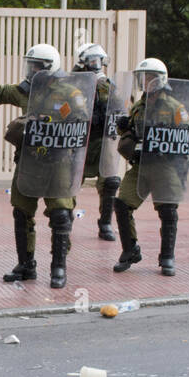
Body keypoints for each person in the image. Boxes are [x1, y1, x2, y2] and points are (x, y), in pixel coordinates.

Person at [0, 43, 87, 288]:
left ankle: (58, 267)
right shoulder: (28, 91)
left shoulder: (71, 94)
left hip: (58, 162)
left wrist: (52, 124)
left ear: (49, 68)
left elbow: (81, 124)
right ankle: (26, 265)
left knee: (60, 213)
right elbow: (3, 92)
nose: (31, 71)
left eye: (36, 66)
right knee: (21, 211)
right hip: (29, 160)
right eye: (30, 65)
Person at [113, 58, 189, 276]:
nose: (145, 82)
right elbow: (132, 132)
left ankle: (167, 257)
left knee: (168, 211)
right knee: (121, 204)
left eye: (149, 78)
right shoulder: (139, 106)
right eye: (143, 78)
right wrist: (125, 127)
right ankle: (130, 250)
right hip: (141, 165)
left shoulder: (175, 107)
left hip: (165, 165)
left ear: (160, 80)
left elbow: (186, 136)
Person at [74, 42, 121, 241]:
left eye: (98, 60)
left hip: (102, 141)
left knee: (109, 182)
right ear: (83, 63)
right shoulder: (75, 83)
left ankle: (105, 223)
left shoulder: (107, 84)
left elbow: (118, 107)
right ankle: (65, 218)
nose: (96, 64)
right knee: (72, 181)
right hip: (82, 140)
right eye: (91, 61)